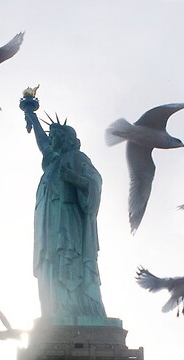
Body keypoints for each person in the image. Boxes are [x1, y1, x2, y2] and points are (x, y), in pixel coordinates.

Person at [21, 98, 107, 321]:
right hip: (49, 227)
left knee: (67, 262)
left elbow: (95, 182)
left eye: (56, 138)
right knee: (51, 264)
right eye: (52, 138)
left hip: (69, 224)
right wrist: (31, 117)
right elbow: (42, 145)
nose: (51, 141)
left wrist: (75, 178)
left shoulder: (77, 158)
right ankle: (56, 310)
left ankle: (77, 310)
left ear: (68, 140)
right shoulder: (53, 163)